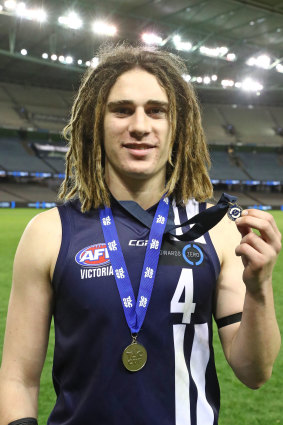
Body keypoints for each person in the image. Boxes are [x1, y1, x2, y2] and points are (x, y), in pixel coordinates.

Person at [0, 44, 281, 425]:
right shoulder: (48, 233)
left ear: (176, 124)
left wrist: (260, 288)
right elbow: (17, 379)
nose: (140, 125)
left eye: (156, 110)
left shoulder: (218, 232)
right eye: (121, 109)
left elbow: (254, 372)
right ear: (96, 122)